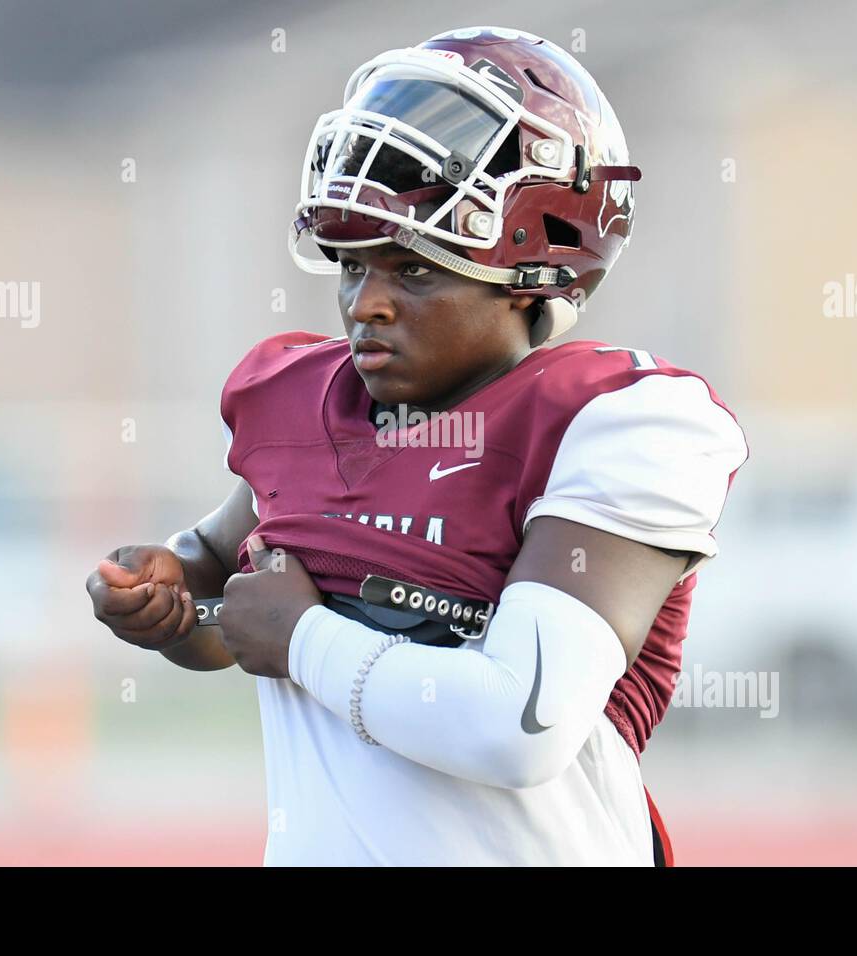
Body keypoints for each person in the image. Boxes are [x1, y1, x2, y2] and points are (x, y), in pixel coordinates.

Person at [86, 25, 748, 866]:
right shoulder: (297, 403)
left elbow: (519, 725)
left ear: (529, 275)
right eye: (353, 265)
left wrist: (304, 641)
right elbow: (227, 599)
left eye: (417, 269)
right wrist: (164, 592)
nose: (366, 303)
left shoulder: (616, 424)